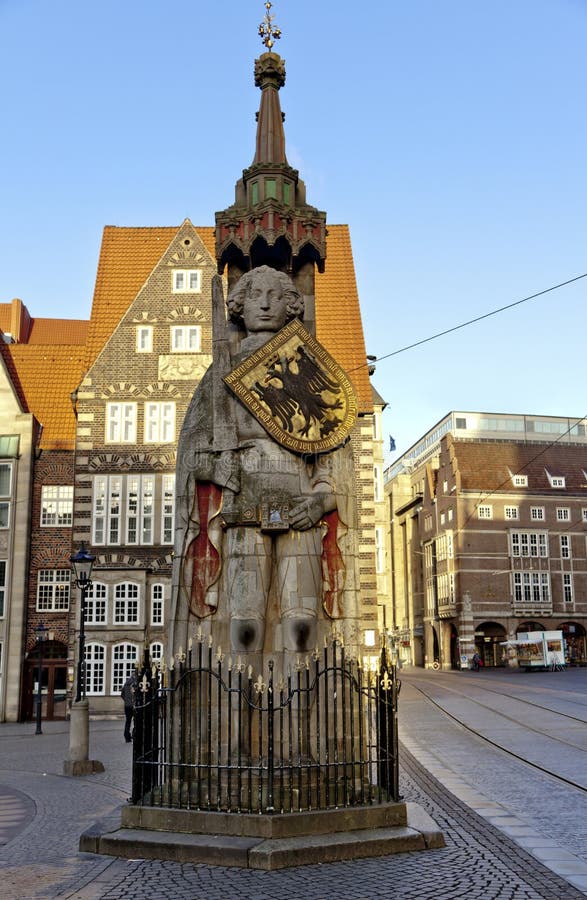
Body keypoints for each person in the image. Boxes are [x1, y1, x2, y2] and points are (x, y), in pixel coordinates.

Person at [171, 266, 357, 658]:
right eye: (256, 294)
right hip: (243, 508)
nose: (267, 302)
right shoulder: (222, 373)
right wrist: (219, 469)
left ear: (292, 305)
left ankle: (305, 715)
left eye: (276, 294)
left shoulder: (308, 368)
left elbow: (333, 454)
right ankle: (239, 712)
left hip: (300, 507)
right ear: (240, 305)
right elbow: (192, 454)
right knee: (244, 627)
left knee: (302, 625)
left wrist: (322, 502)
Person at [121, 674, 136, 742]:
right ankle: (134, 734)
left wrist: (126, 700)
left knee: (128, 721)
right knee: (136, 721)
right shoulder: (135, 683)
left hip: (127, 705)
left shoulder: (126, 684)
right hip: (134, 705)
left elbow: (122, 695)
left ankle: (127, 736)